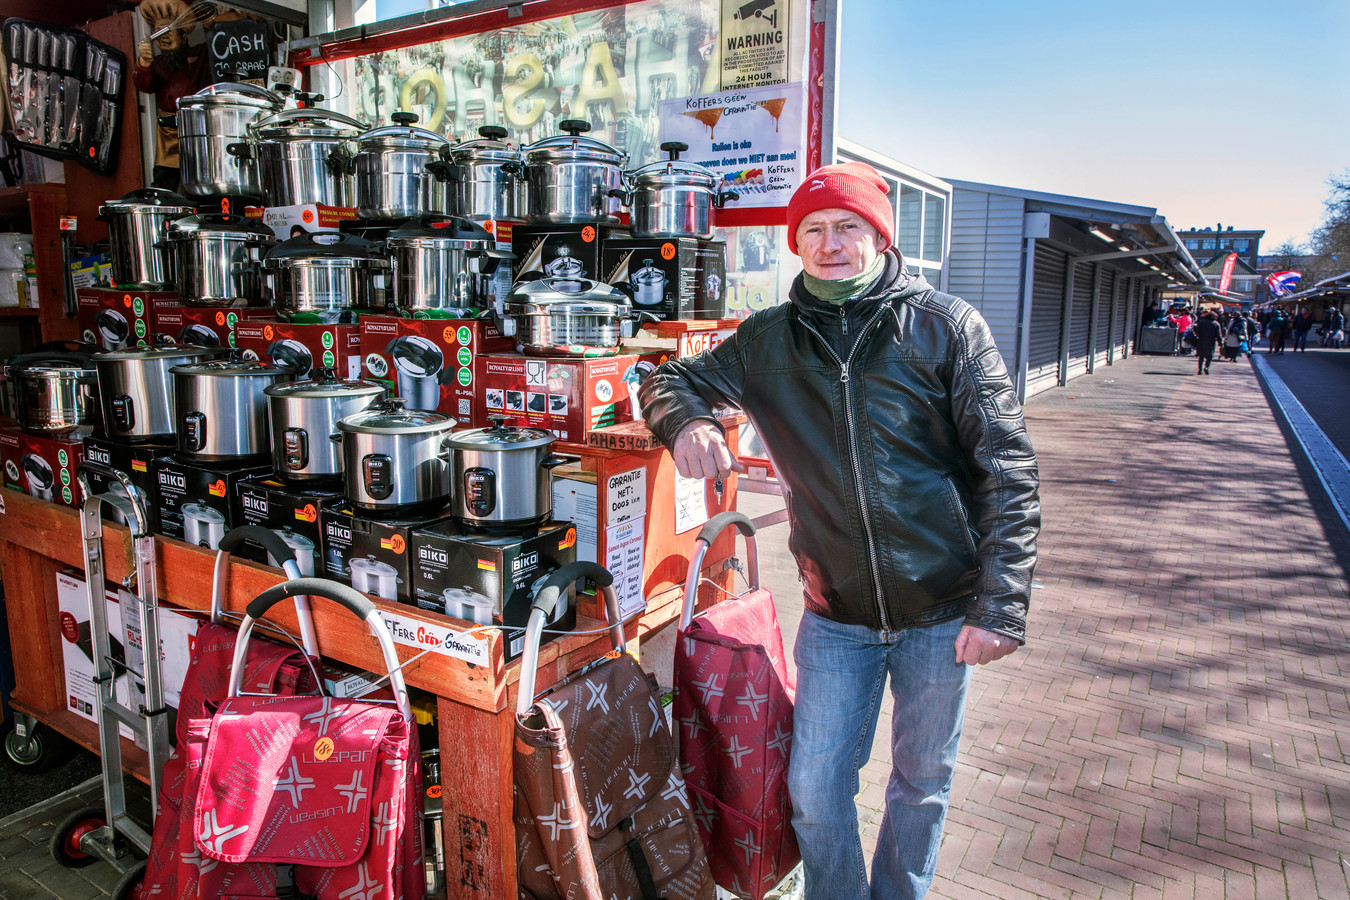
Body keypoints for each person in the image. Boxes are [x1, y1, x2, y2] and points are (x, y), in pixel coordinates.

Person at [638, 163, 1040, 900]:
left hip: (942, 611)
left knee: (921, 786)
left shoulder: (945, 327)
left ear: (879, 236)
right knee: (815, 791)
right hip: (836, 617)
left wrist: (1001, 605)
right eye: (814, 230)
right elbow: (666, 378)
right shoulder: (769, 340)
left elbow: (1007, 469)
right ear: (797, 243)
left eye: (848, 227)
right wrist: (687, 419)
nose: (831, 244)